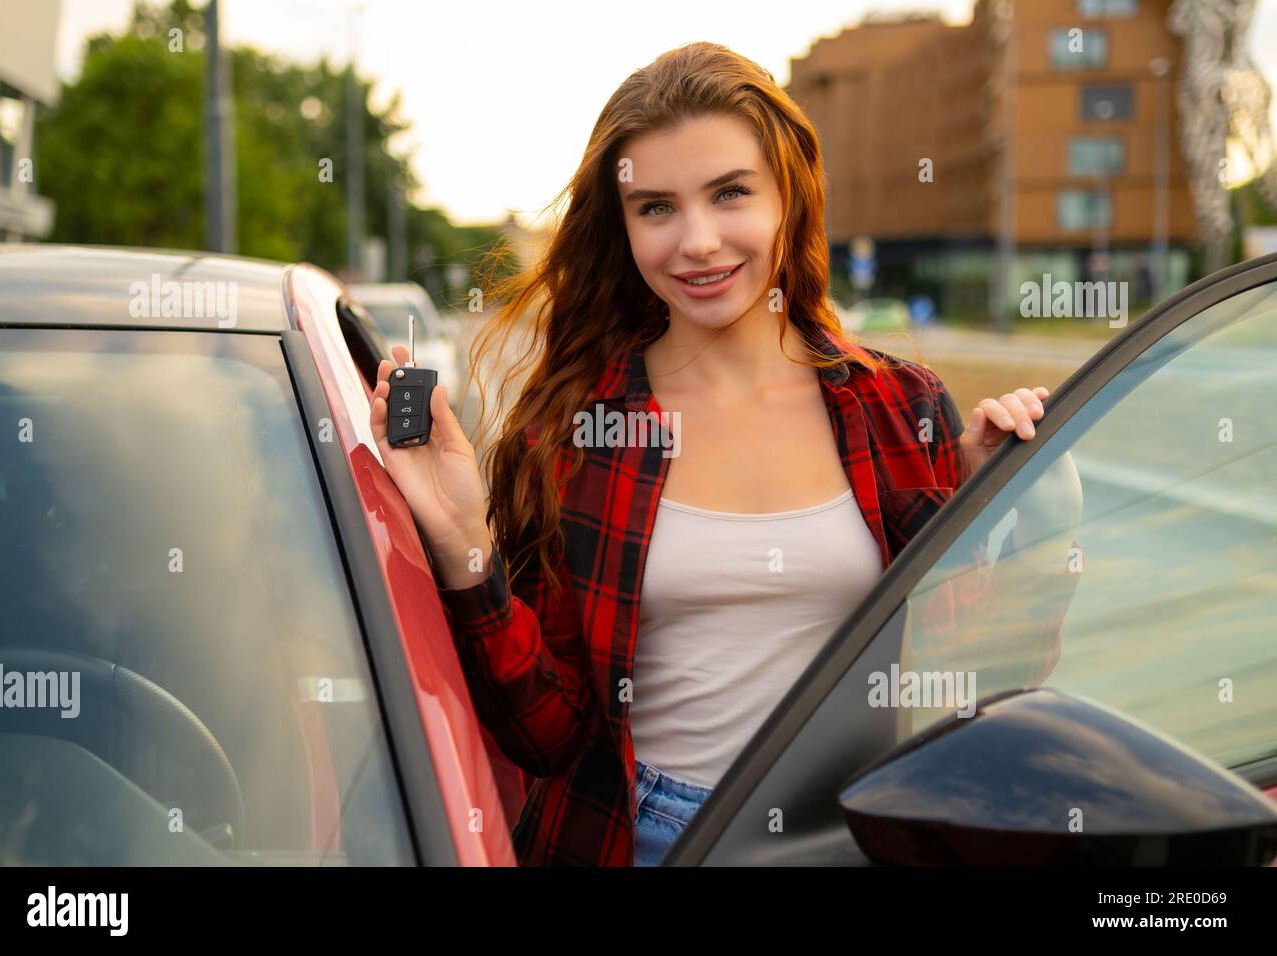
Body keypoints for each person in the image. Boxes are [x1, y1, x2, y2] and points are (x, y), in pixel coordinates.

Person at [370, 42, 1063, 866]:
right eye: (656, 208)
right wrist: (460, 540)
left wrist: (988, 514)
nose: (697, 241)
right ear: (622, 225)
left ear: (790, 198)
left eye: (730, 193)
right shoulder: (575, 430)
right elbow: (547, 738)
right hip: (652, 839)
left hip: (856, 833)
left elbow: (974, 682)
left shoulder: (900, 408)